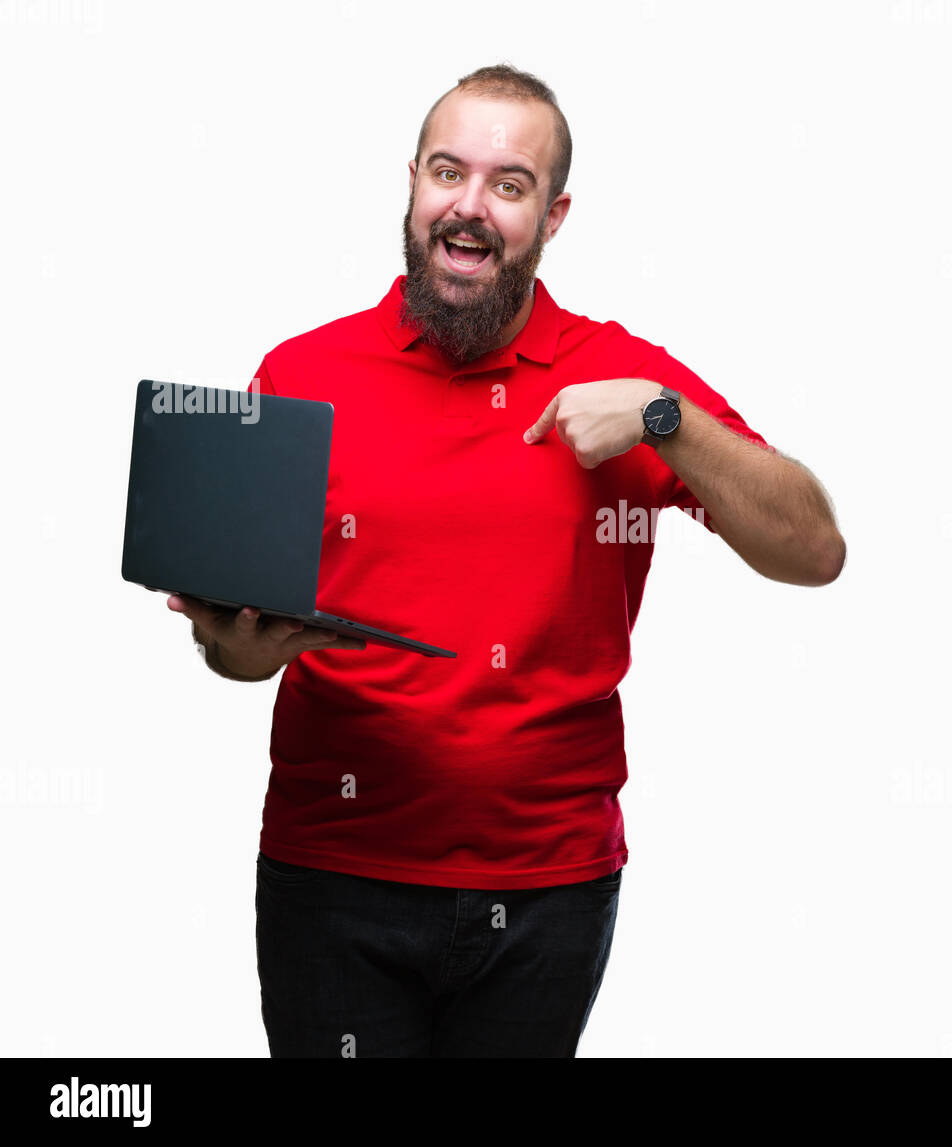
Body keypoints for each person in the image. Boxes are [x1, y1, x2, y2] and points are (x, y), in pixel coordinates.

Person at [169, 63, 845, 1058]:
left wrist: (667, 418)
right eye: (448, 172)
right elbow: (237, 651)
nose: (470, 207)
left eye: (509, 183)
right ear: (411, 183)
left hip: (548, 891)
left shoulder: (622, 380)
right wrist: (239, 648)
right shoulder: (302, 374)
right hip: (335, 873)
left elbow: (814, 549)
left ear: (554, 213)